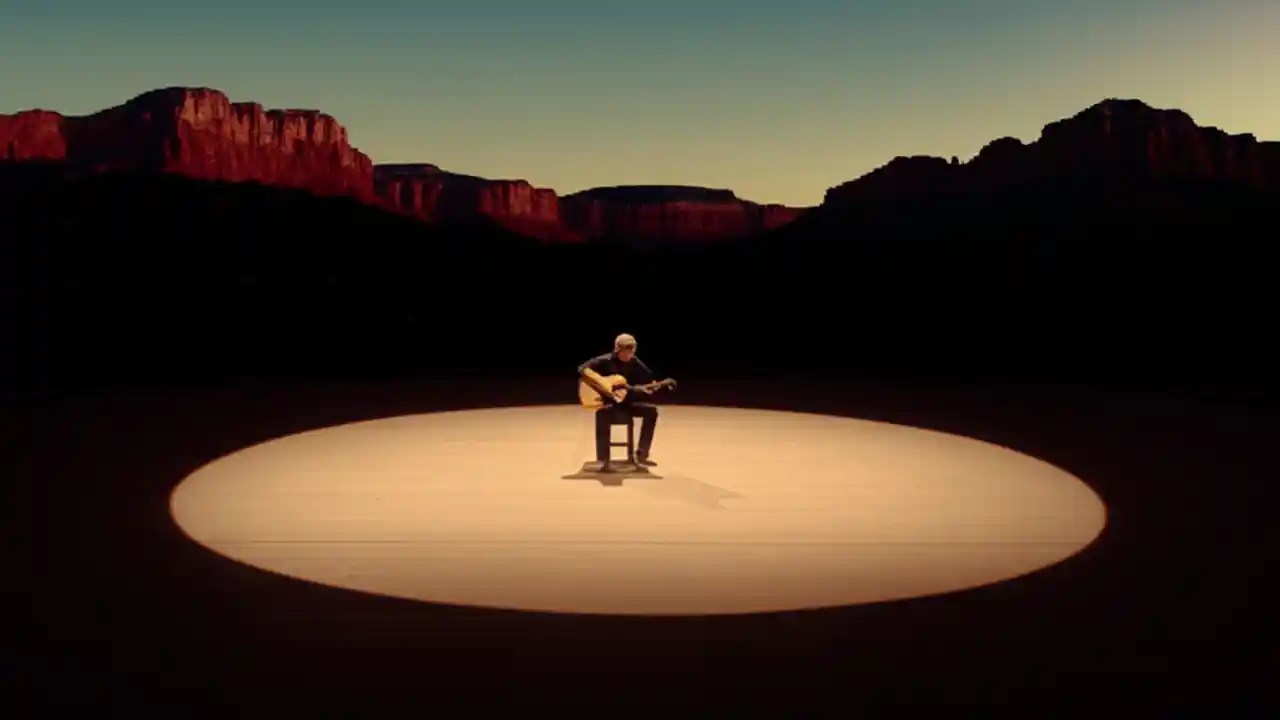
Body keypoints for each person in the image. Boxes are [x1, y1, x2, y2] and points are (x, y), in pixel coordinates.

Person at [578, 333, 662, 471]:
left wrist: (652, 386)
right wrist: (603, 384)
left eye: (632, 350)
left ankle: (641, 454)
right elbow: (582, 369)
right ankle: (604, 460)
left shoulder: (635, 362)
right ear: (617, 349)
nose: (629, 354)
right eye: (626, 350)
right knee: (602, 413)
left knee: (652, 411)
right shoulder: (605, 360)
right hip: (608, 403)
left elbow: (648, 379)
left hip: (627, 402)